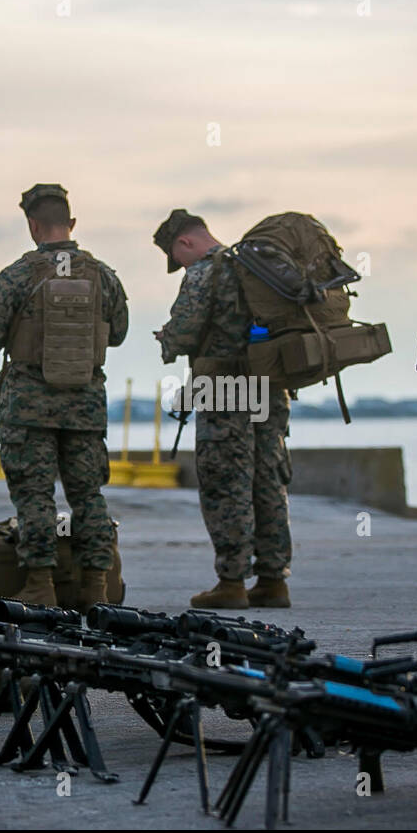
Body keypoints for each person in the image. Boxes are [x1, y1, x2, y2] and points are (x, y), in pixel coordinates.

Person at [0, 184, 128, 610]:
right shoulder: (104, 276)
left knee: (35, 495)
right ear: (72, 224)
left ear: (33, 225)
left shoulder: (16, 276)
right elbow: (118, 333)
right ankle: (95, 587)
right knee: (89, 495)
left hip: (29, 409)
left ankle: (40, 585)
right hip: (85, 405)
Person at [153, 209, 292, 610]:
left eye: (178, 259)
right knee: (268, 480)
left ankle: (231, 581)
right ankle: (273, 580)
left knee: (226, 482)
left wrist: (168, 339)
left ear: (185, 243)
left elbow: (183, 331)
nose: (182, 266)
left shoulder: (204, 273)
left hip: (224, 391)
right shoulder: (254, 267)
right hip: (268, 389)